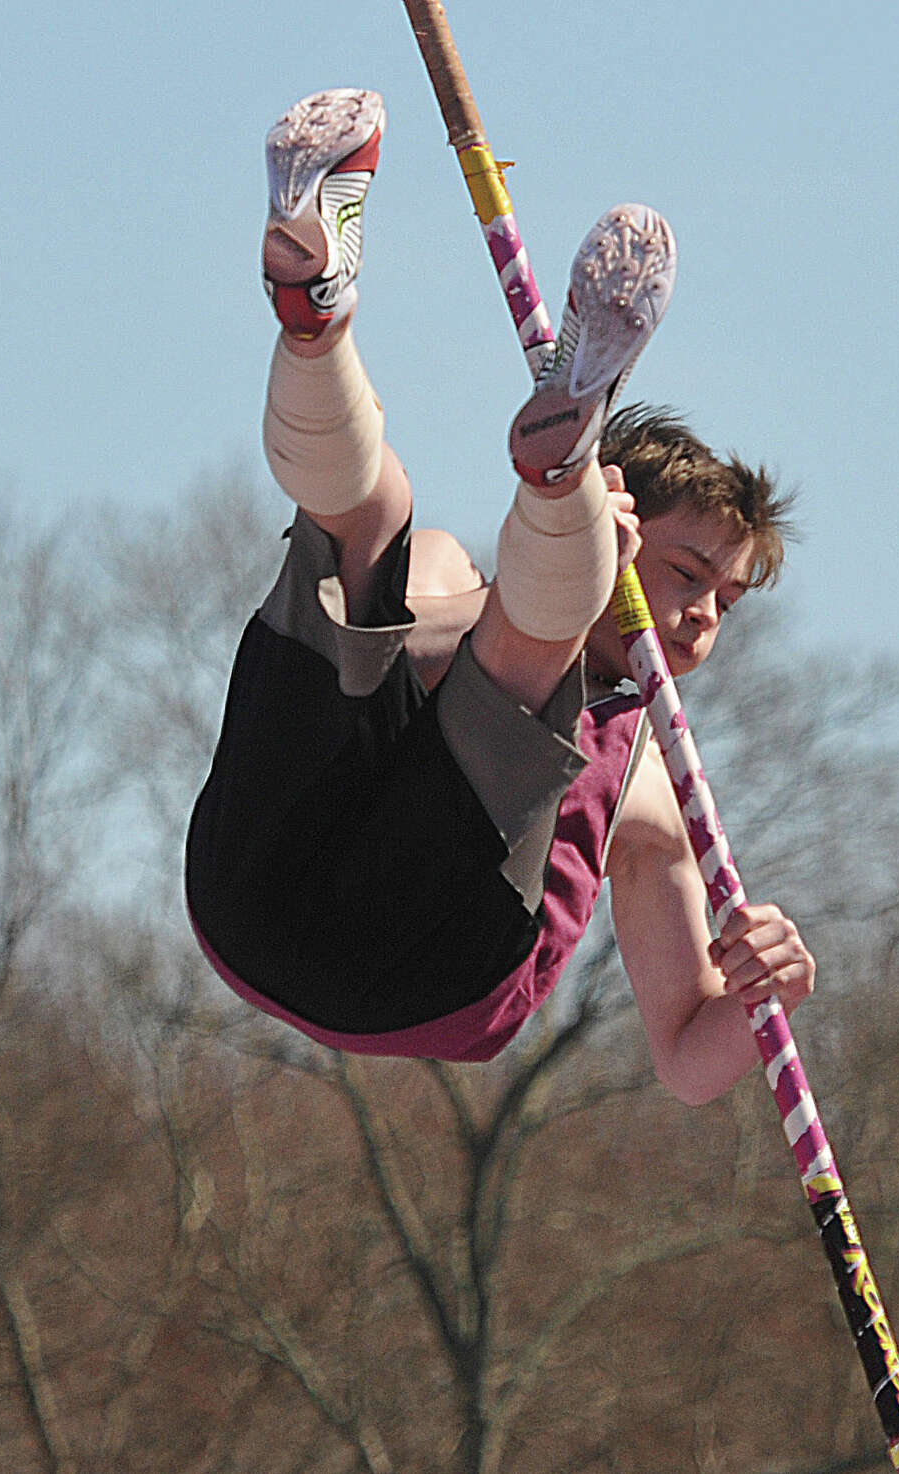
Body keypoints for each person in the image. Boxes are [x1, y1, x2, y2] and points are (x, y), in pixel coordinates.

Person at [185, 87, 815, 1106]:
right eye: (687, 574)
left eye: (726, 604)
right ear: (630, 518)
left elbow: (688, 1059)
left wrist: (766, 995)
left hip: (427, 970)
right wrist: (494, 610)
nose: (701, 614)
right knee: (377, 521)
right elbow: (403, 636)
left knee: (524, 666)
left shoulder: (651, 786)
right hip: (259, 886)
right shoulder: (448, 573)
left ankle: (556, 485)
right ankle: (315, 317)